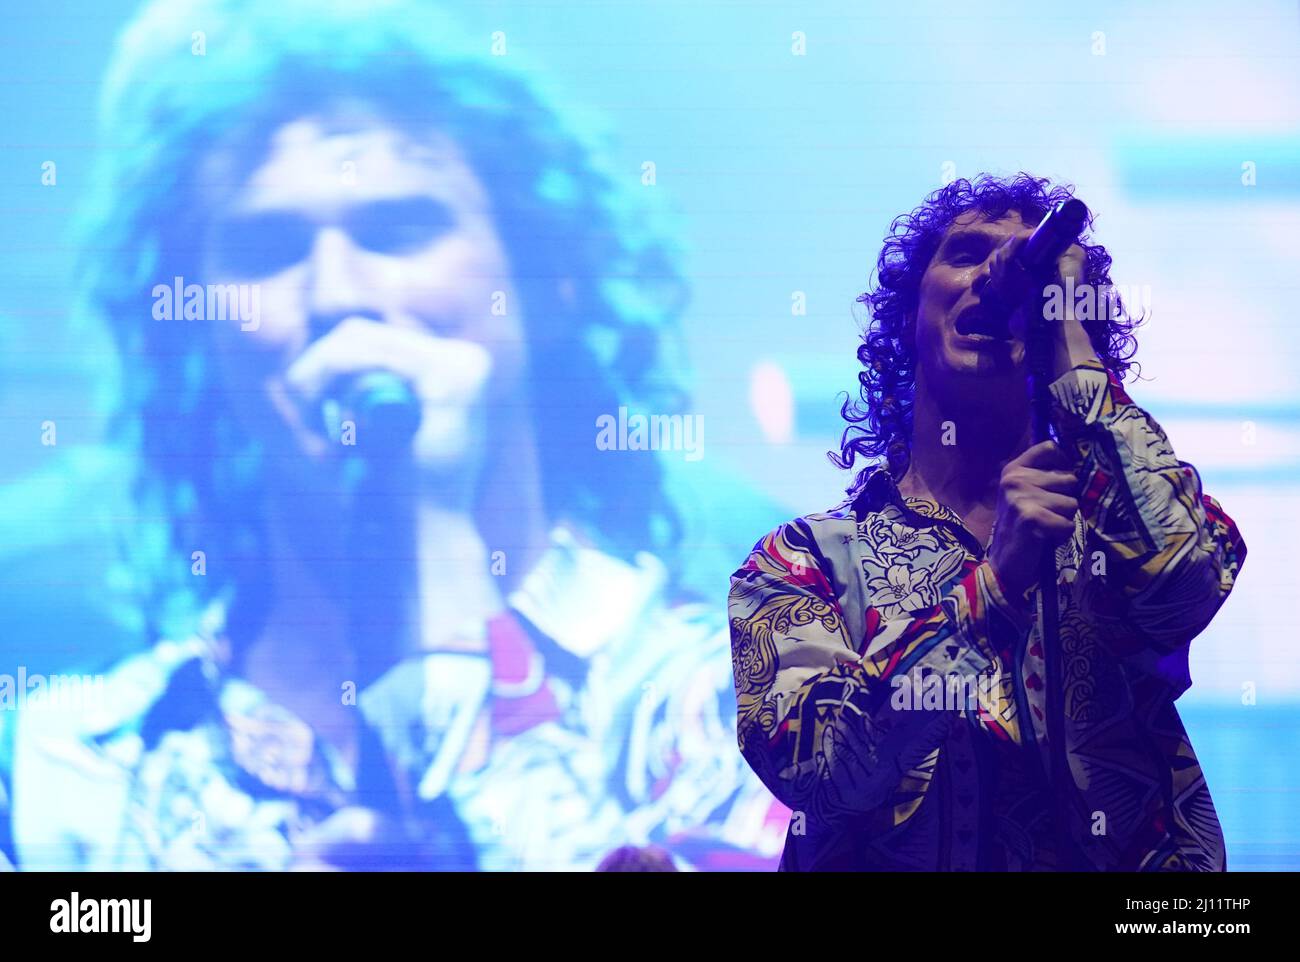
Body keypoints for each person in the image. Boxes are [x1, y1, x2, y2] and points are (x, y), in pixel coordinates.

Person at [0, 0, 784, 871]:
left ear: (550, 283)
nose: (336, 292)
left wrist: (441, 549)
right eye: (267, 248)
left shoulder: (753, 694)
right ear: (198, 329)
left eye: (399, 230)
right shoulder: (60, 769)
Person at [728, 173, 1247, 871]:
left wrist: (1068, 329)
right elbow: (822, 770)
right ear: (912, 308)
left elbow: (1188, 580)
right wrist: (993, 589)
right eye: (967, 252)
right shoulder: (805, 559)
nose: (996, 277)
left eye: (1019, 265)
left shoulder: (1112, 530)